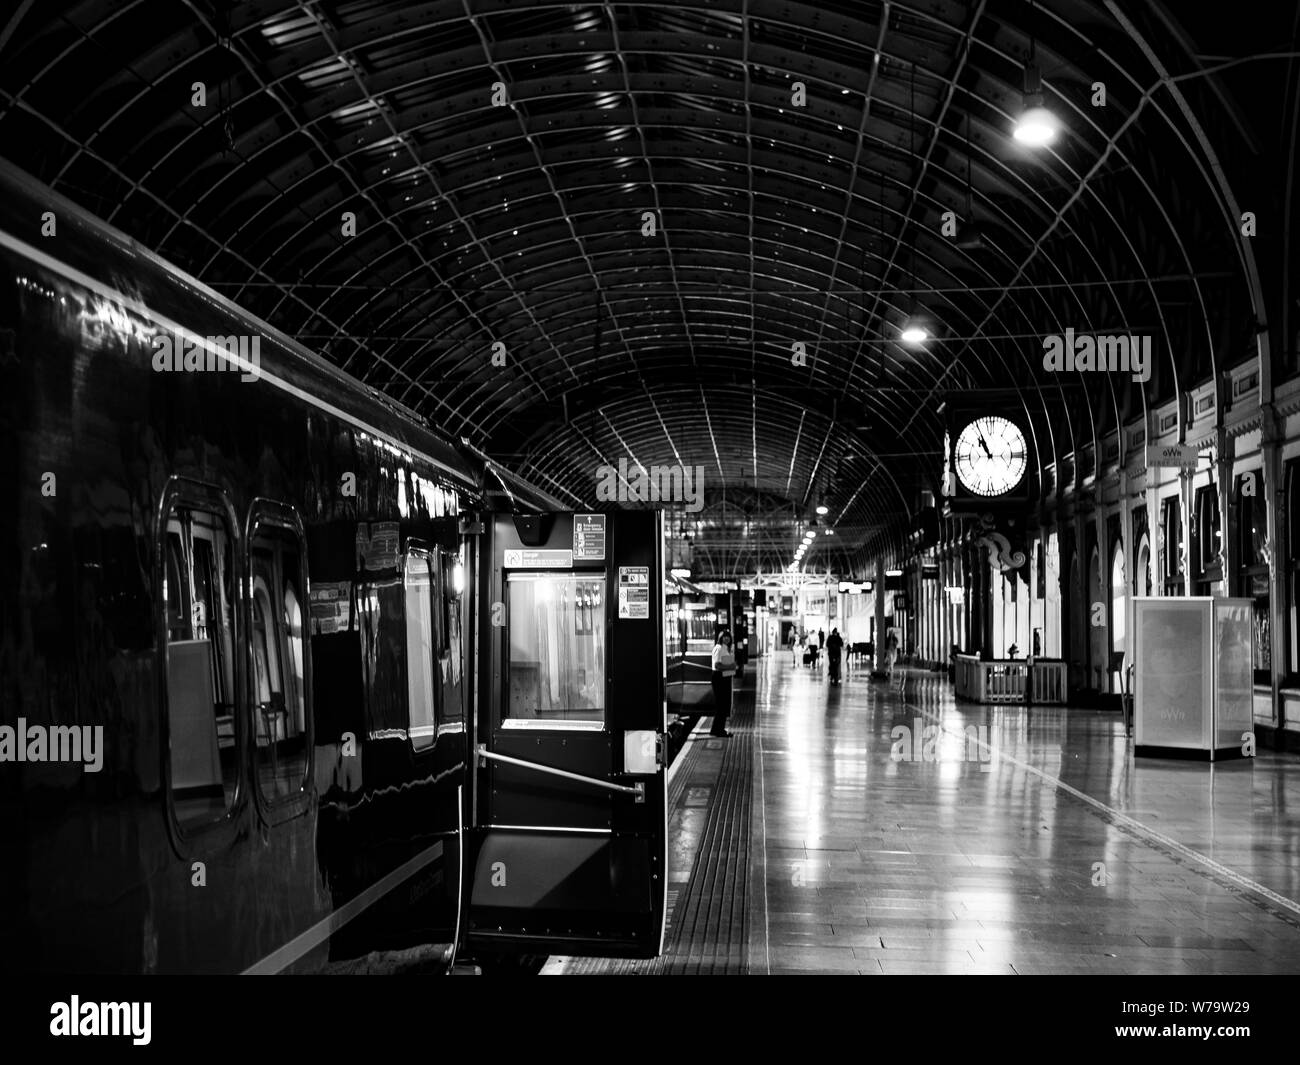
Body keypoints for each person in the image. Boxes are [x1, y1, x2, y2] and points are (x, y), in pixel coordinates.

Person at [710, 629, 736, 737]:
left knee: (724, 705)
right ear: (720, 637)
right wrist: (730, 666)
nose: (727, 638)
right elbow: (717, 665)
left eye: (728, 636)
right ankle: (718, 730)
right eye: (724, 636)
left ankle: (717, 729)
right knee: (721, 705)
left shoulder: (726, 648)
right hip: (719, 678)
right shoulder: (718, 648)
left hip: (725, 678)